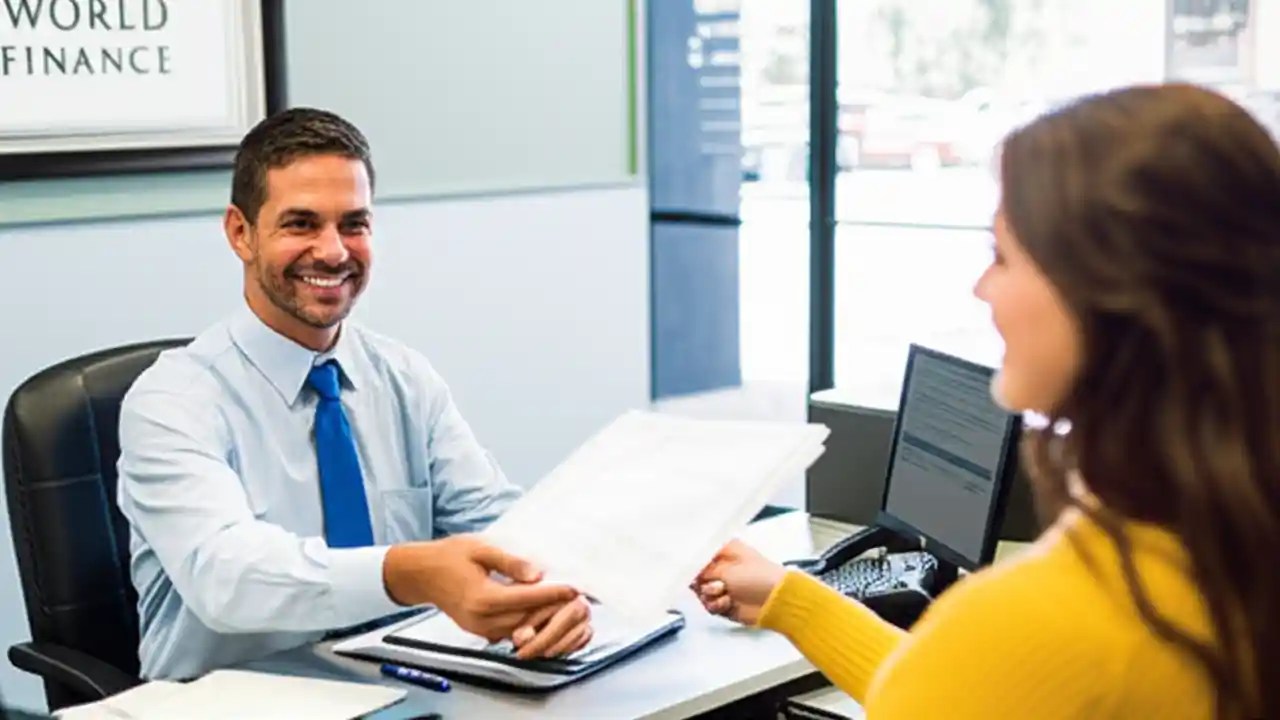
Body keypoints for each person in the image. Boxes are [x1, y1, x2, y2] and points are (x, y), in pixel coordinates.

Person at [695, 83, 1280, 719]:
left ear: (1104, 294)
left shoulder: (1040, 621)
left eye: (1002, 257)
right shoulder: (1223, 555)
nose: (981, 289)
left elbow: (975, 676)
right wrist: (794, 602)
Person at [117, 107, 591, 680]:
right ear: (240, 233)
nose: (334, 251)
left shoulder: (403, 377)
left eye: (354, 224)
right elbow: (227, 576)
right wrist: (408, 572)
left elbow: (498, 523)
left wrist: (552, 591)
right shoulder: (172, 401)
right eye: (301, 224)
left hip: (406, 691)